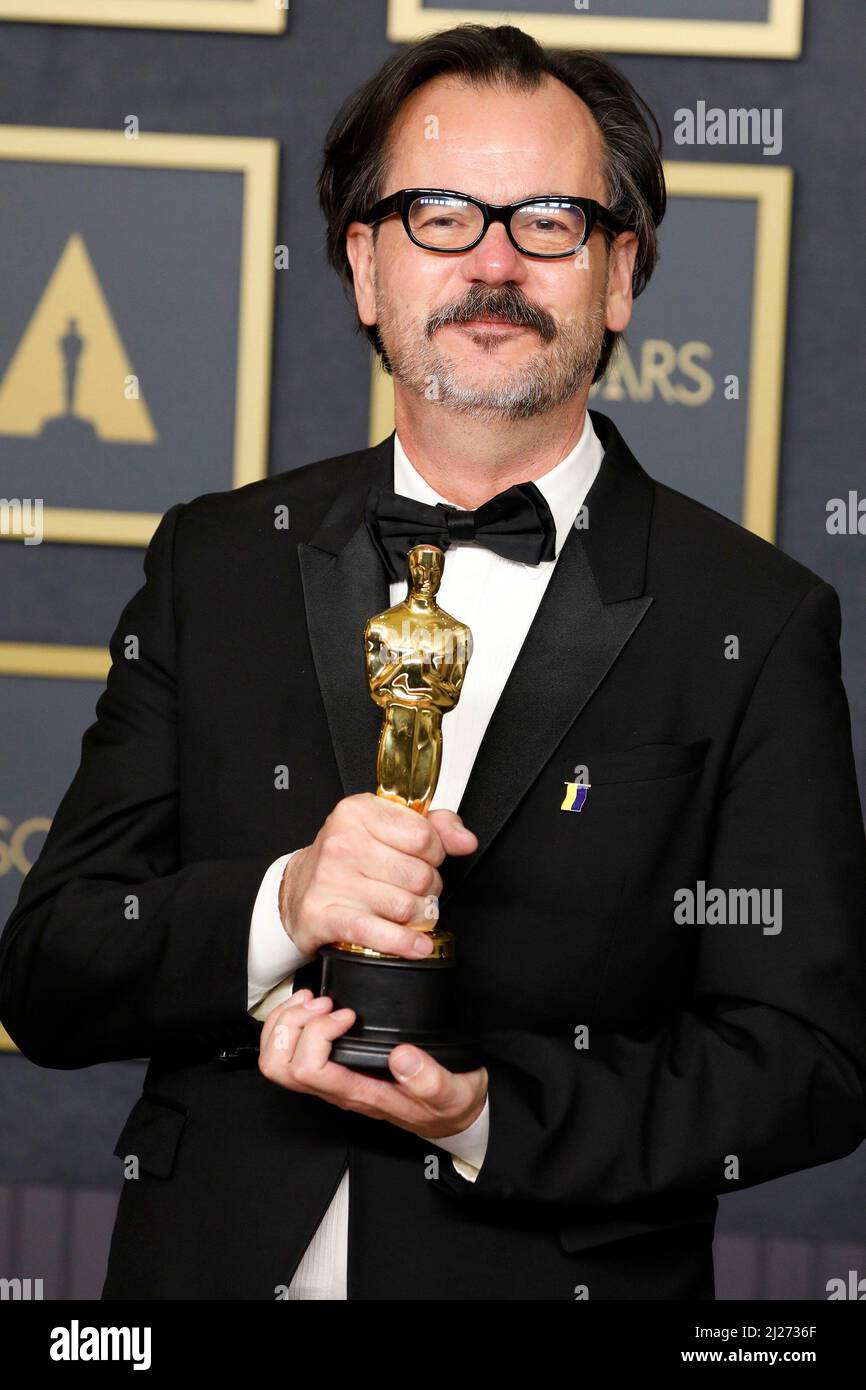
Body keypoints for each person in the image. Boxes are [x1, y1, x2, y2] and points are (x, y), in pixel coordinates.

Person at [2, 24, 865, 1302]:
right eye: (441, 214)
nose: (495, 262)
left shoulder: (755, 617)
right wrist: (282, 904)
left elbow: (808, 1064)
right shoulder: (217, 562)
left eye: (552, 220)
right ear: (363, 264)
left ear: (618, 275)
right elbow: (53, 973)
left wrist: (478, 1112)